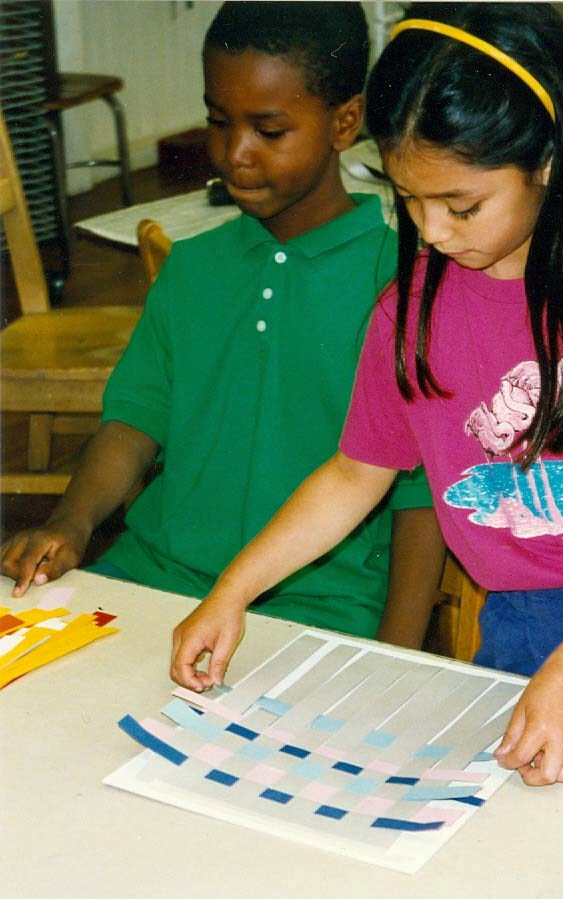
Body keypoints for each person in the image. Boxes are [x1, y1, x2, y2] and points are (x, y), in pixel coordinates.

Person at [169, 5, 563, 896]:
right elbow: (353, 472)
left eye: (461, 204)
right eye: (408, 201)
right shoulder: (413, 307)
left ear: (548, 163)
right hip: (526, 615)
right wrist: (233, 589)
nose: (434, 233)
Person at [0, 1, 447, 647]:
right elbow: (134, 420)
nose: (235, 152)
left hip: (316, 609)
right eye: (218, 120)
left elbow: (419, 499)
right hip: (146, 579)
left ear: (344, 122)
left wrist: (399, 654)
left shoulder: (400, 284)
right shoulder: (193, 267)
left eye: (268, 130)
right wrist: (70, 522)